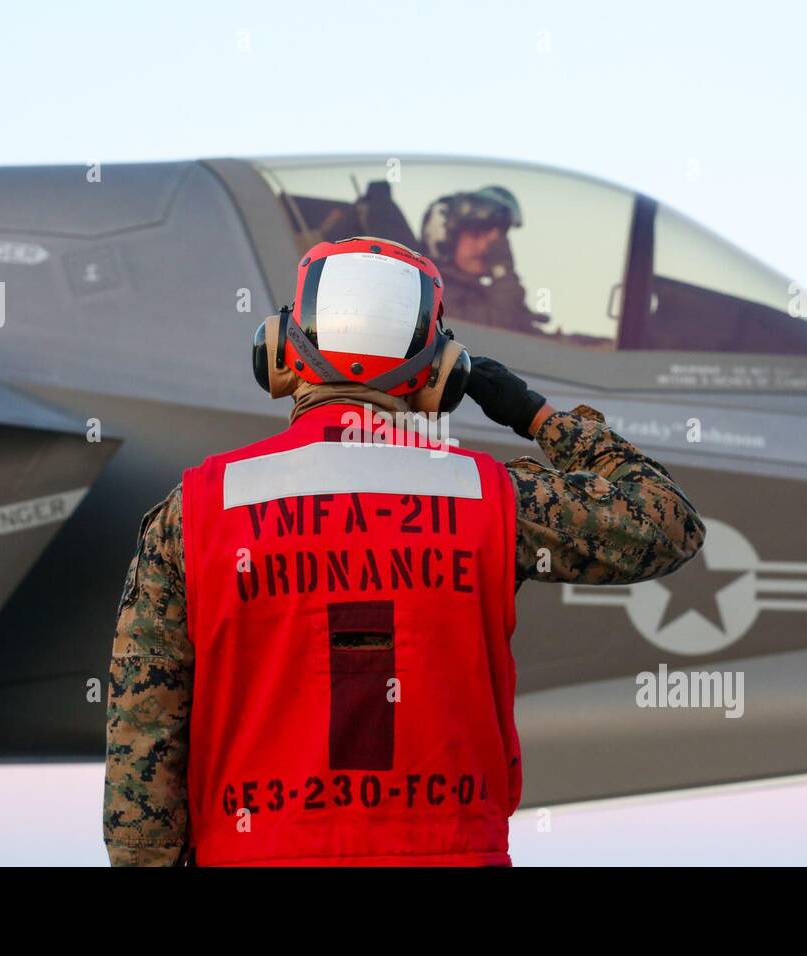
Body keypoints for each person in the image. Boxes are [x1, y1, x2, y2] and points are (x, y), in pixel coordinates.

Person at [103, 236, 704, 866]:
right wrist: (536, 415)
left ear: (281, 351)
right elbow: (668, 522)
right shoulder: (493, 497)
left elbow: (142, 743)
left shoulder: (196, 511)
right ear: (442, 375)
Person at [420, 186, 551, 335]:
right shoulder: (433, 294)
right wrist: (502, 270)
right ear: (446, 237)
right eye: (475, 235)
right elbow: (497, 336)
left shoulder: (479, 295)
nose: (485, 247)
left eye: (492, 240)